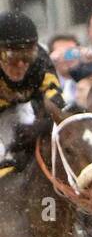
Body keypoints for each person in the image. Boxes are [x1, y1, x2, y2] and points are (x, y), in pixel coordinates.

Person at [0, 12, 62, 172]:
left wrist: (38, 127)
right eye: (12, 57)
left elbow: (57, 104)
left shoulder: (41, 65)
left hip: (21, 106)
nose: (20, 64)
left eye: (27, 56)